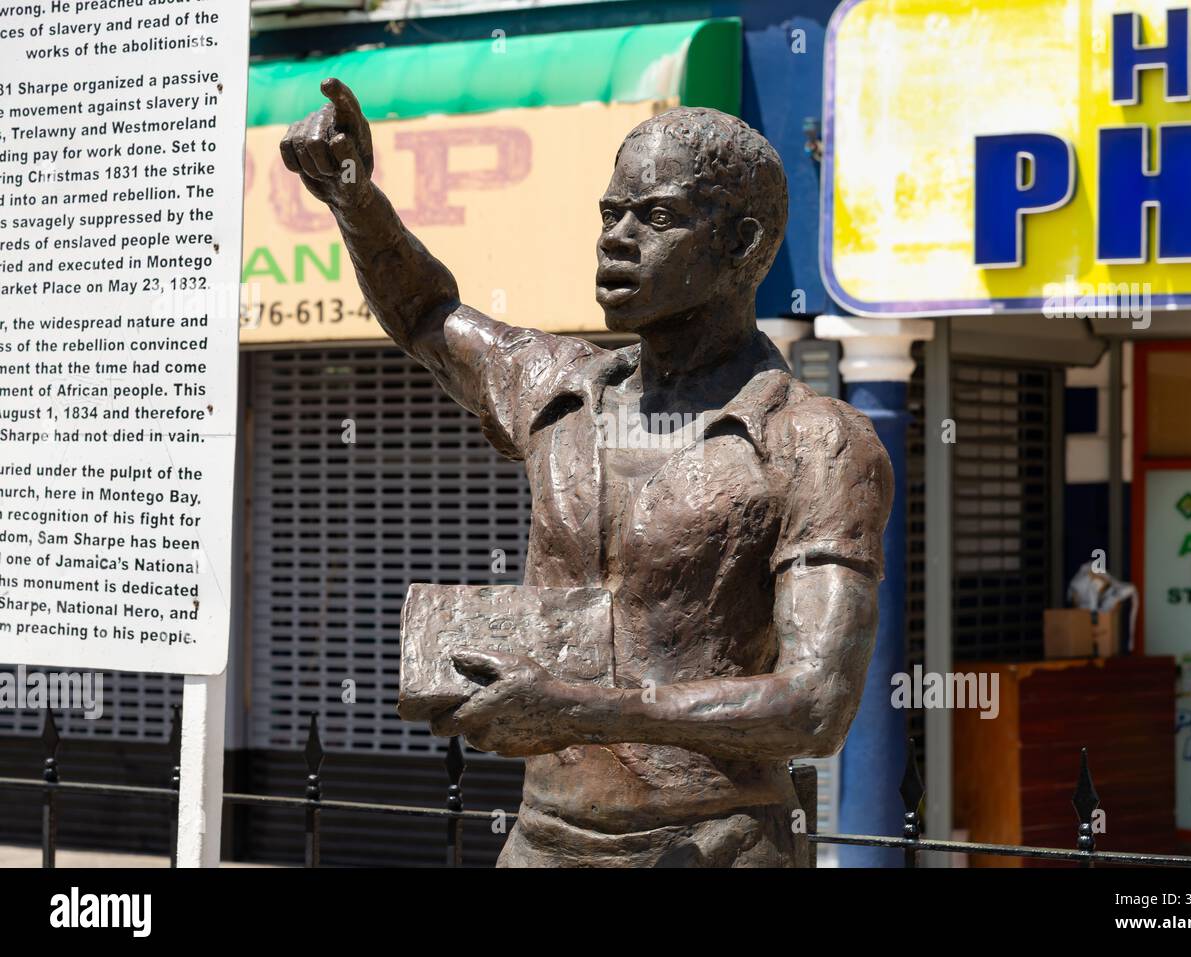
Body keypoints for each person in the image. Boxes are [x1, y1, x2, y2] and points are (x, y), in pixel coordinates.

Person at [281, 79, 893, 867]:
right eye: (611, 215)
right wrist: (352, 200)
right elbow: (428, 314)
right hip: (541, 843)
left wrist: (575, 710)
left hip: (714, 845)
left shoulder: (816, 443)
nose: (617, 238)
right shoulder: (558, 388)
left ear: (744, 245)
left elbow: (815, 705)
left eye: (657, 217)